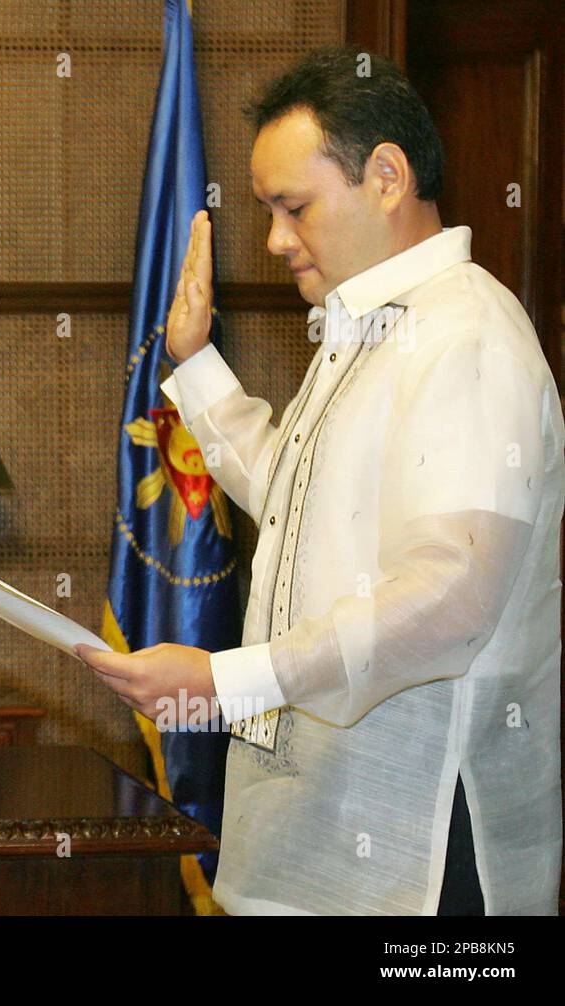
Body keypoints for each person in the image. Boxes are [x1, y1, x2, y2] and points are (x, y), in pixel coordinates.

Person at [77, 48, 563, 915]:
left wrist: (231, 679)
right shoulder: (370, 329)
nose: (273, 239)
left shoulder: (466, 331)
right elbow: (299, 499)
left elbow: (452, 595)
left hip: (428, 847)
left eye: (293, 207)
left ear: (386, 175)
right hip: (332, 838)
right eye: (266, 210)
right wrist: (193, 365)